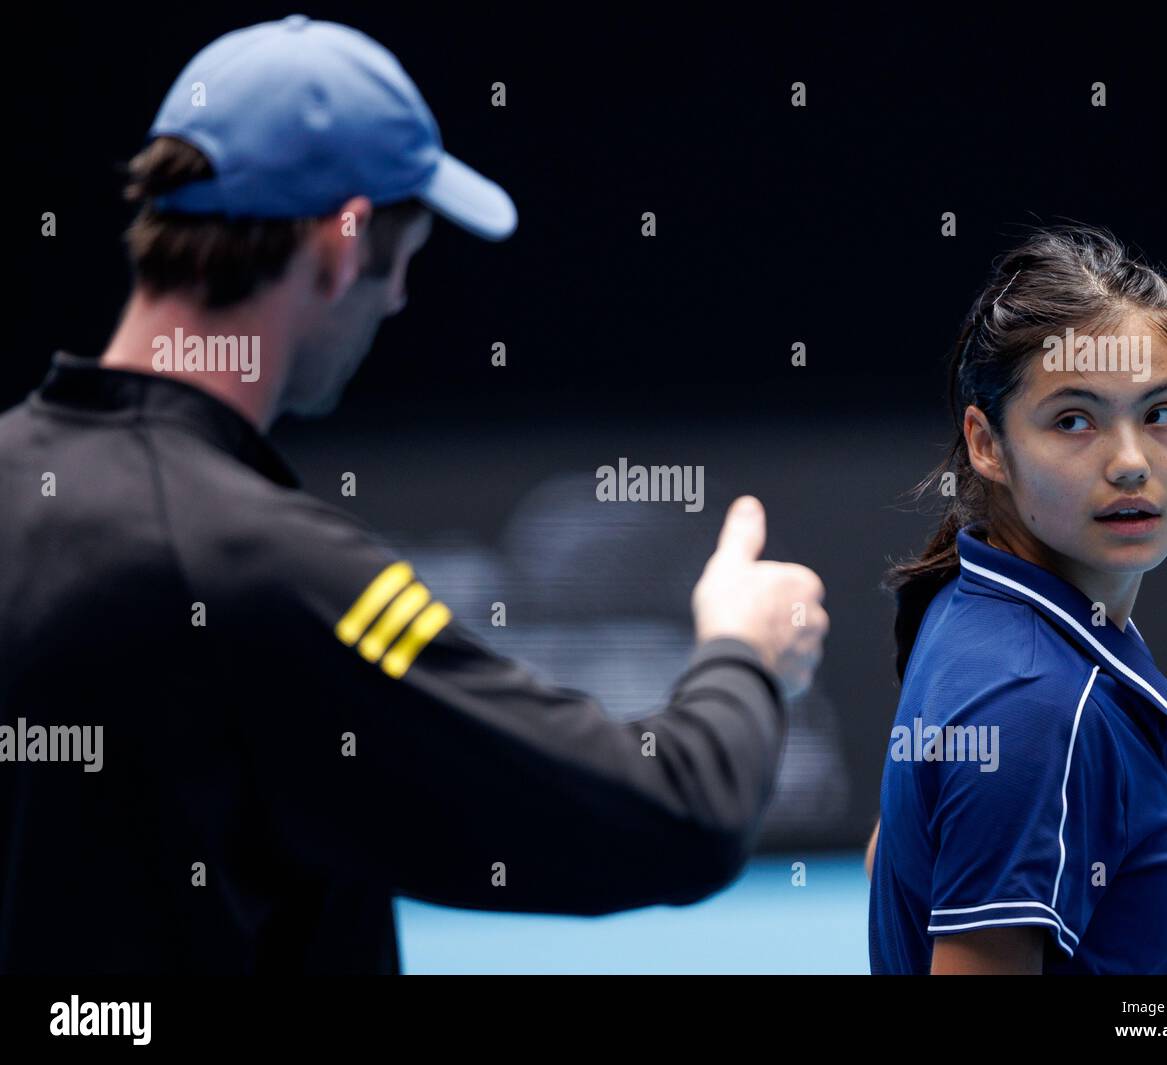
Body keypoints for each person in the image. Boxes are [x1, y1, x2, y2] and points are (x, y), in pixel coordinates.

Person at [0, 17, 827, 973]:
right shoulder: (263, 568)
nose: (397, 300)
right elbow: (673, 815)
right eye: (408, 254)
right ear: (344, 242)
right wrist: (745, 657)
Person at [868, 224, 1167, 975]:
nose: (1129, 462)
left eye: (1161, 412)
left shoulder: (970, 595)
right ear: (987, 443)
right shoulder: (1036, 706)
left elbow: (895, 857)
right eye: (1074, 419)